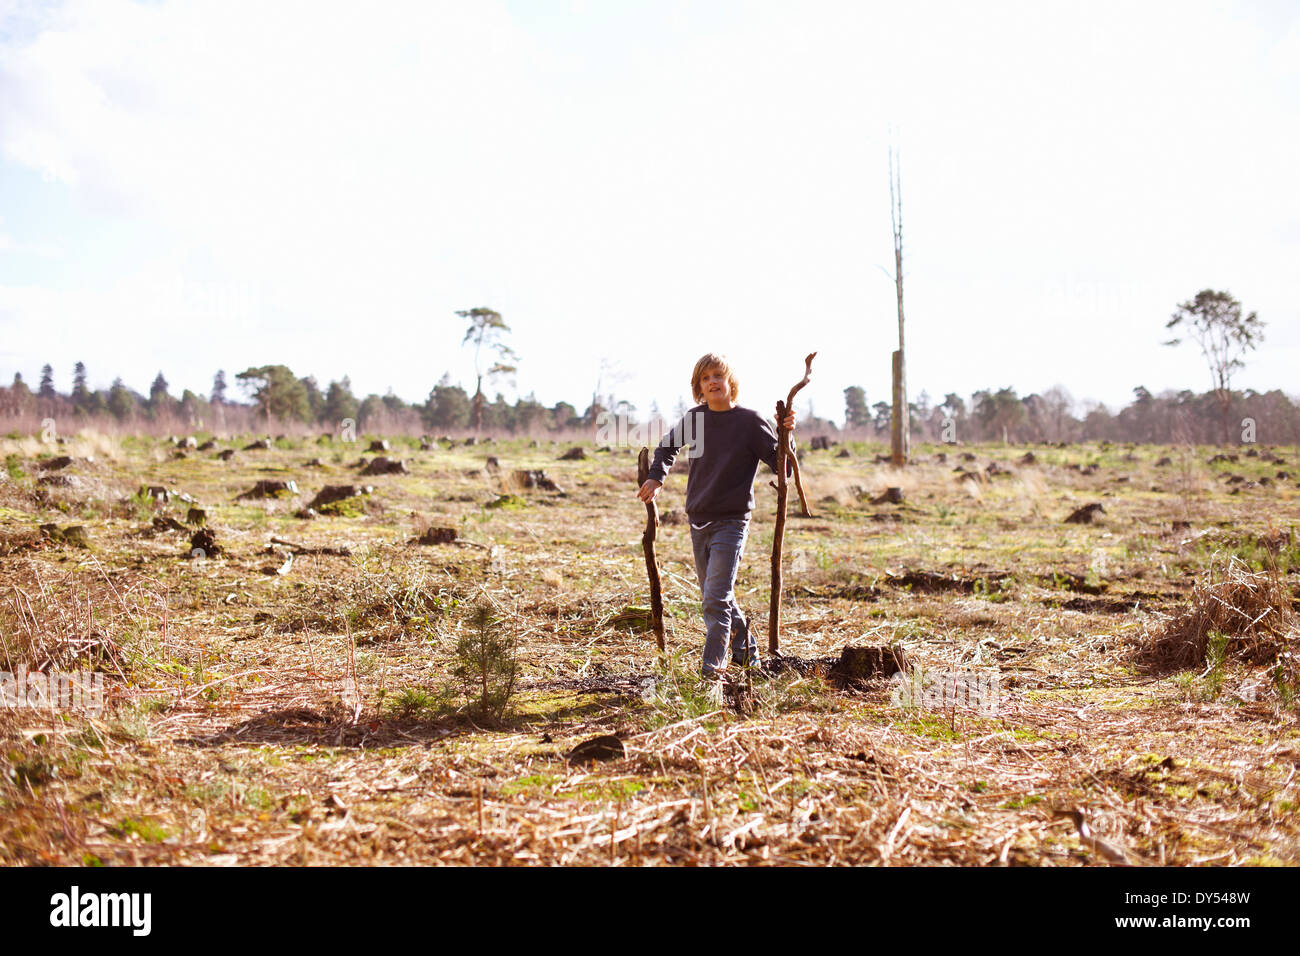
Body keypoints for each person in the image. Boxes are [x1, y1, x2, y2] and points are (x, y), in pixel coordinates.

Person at [636, 353, 795, 680]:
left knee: (714, 600)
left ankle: (711, 672)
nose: (712, 382)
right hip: (698, 520)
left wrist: (786, 435)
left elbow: (784, 465)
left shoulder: (750, 422)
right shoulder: (694, 420)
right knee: (718, 596)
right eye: (705, 378)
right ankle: (750, 659)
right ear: (699, 387)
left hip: (732, 522)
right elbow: (667, 448)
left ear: (729, 383)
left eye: (718, 376)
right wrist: (656, 477)